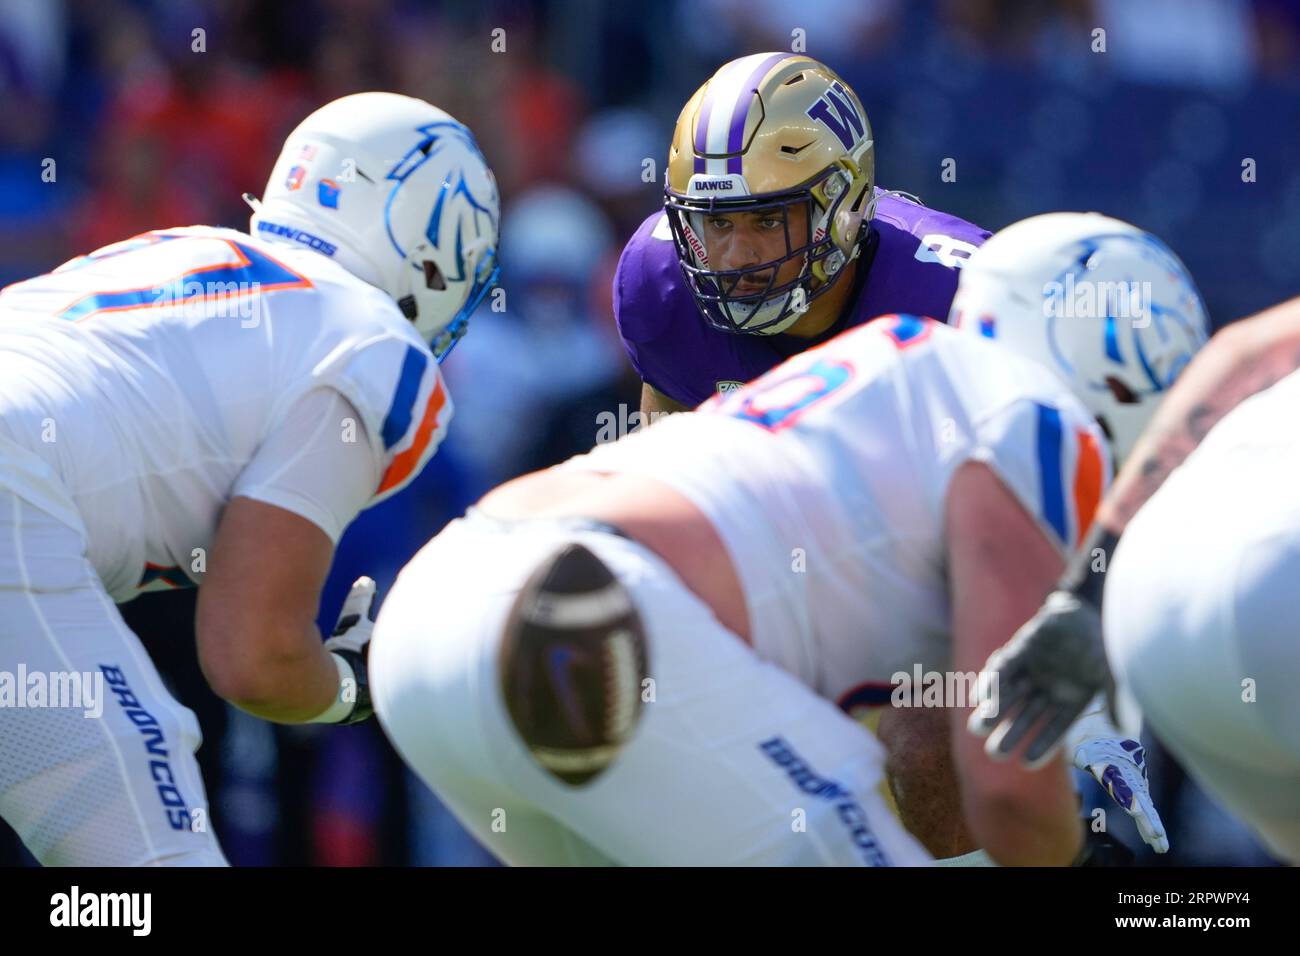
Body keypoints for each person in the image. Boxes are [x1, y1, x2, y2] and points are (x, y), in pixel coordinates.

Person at [0, 91, 499, 866]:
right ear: (440, 240)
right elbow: (250, 654)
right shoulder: (371, 343)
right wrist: (353, 686)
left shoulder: (181, 251)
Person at [615, 52, 990, 415]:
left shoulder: (958, 293)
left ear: (843, 206)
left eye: (767, 222)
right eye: (718, 223)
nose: (736, 257)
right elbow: (674, 471)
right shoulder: (661, 281)